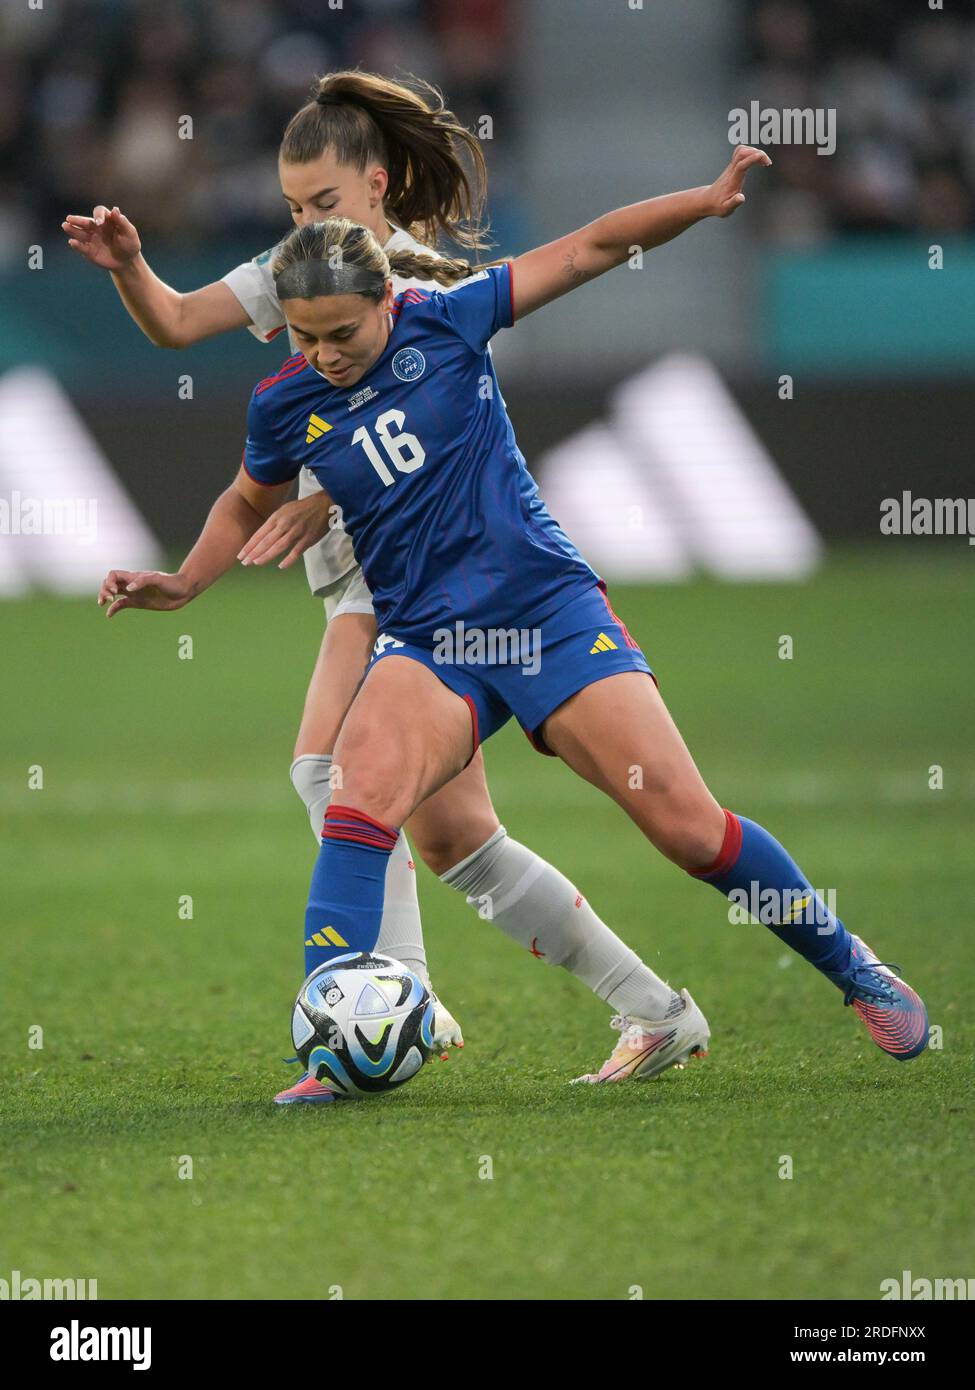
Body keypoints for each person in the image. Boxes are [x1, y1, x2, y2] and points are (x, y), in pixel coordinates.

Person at [225, 143, 926, 1096]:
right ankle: (334, 1043)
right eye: (304, 339)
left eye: (340, 331)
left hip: (544, 611)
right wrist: (196, 578)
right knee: (354, 800)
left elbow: (593, 246)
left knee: (687, 831)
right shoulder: (293, 397)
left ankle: (853, 969)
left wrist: (704, 198)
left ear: (386, 300)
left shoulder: (453, 319)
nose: (323, 354)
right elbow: (257, 484)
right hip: (431, 640)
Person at [85, 72, 731, 1103]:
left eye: (324, 203)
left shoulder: (418, 291)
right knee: (453, 837)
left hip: (415, 582)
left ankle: (394, 1004)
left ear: (377, 188)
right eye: (294, 207)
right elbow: (169, 322)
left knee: (328, 775)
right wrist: (131, 267)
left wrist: (326, 504)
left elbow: (427, 451)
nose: (305, 222)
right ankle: (649, 1008)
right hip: (360, 574)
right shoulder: (294, 272)